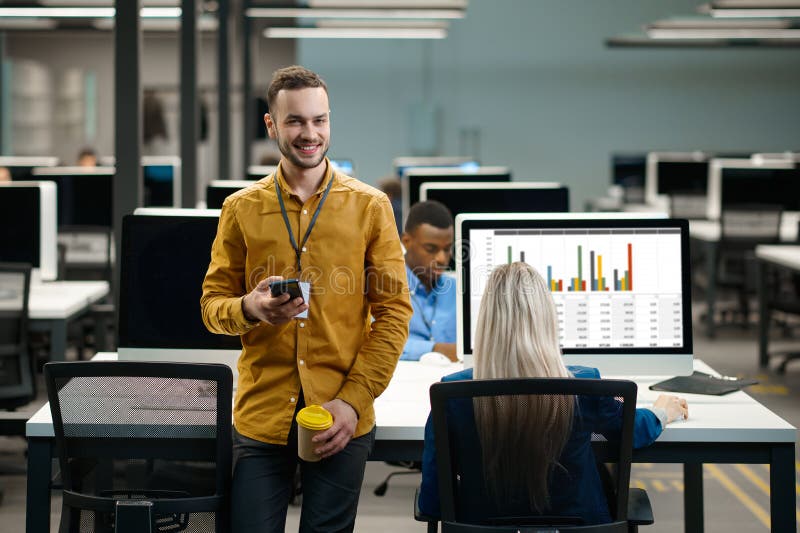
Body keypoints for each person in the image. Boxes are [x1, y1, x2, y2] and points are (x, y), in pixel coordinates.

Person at [200, 65, 412, 533]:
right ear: (272, 125)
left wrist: (353, 402)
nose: (310, 133)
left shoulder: (371, 207)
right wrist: (249, 309)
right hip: (262, 413)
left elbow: (394, 315)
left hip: (340, 411)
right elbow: (212, 307)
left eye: (320, 119)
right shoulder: (241, 209)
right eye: (295, 121)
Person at [418, 262, 688, 525]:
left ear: (487, 321)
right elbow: (632, 431)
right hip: (580, 527)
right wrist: (661, 412)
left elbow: (432, 502)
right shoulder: (584, 385)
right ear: (546, 318)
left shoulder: (453, 394)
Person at [400, 200, 458, 361]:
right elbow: (373, 344)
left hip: (451, 383)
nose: (442, 258)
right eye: (431, 249)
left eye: (447, 249)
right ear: (407, 242)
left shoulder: (458, 292)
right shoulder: (380, 287)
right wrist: (436, 349)